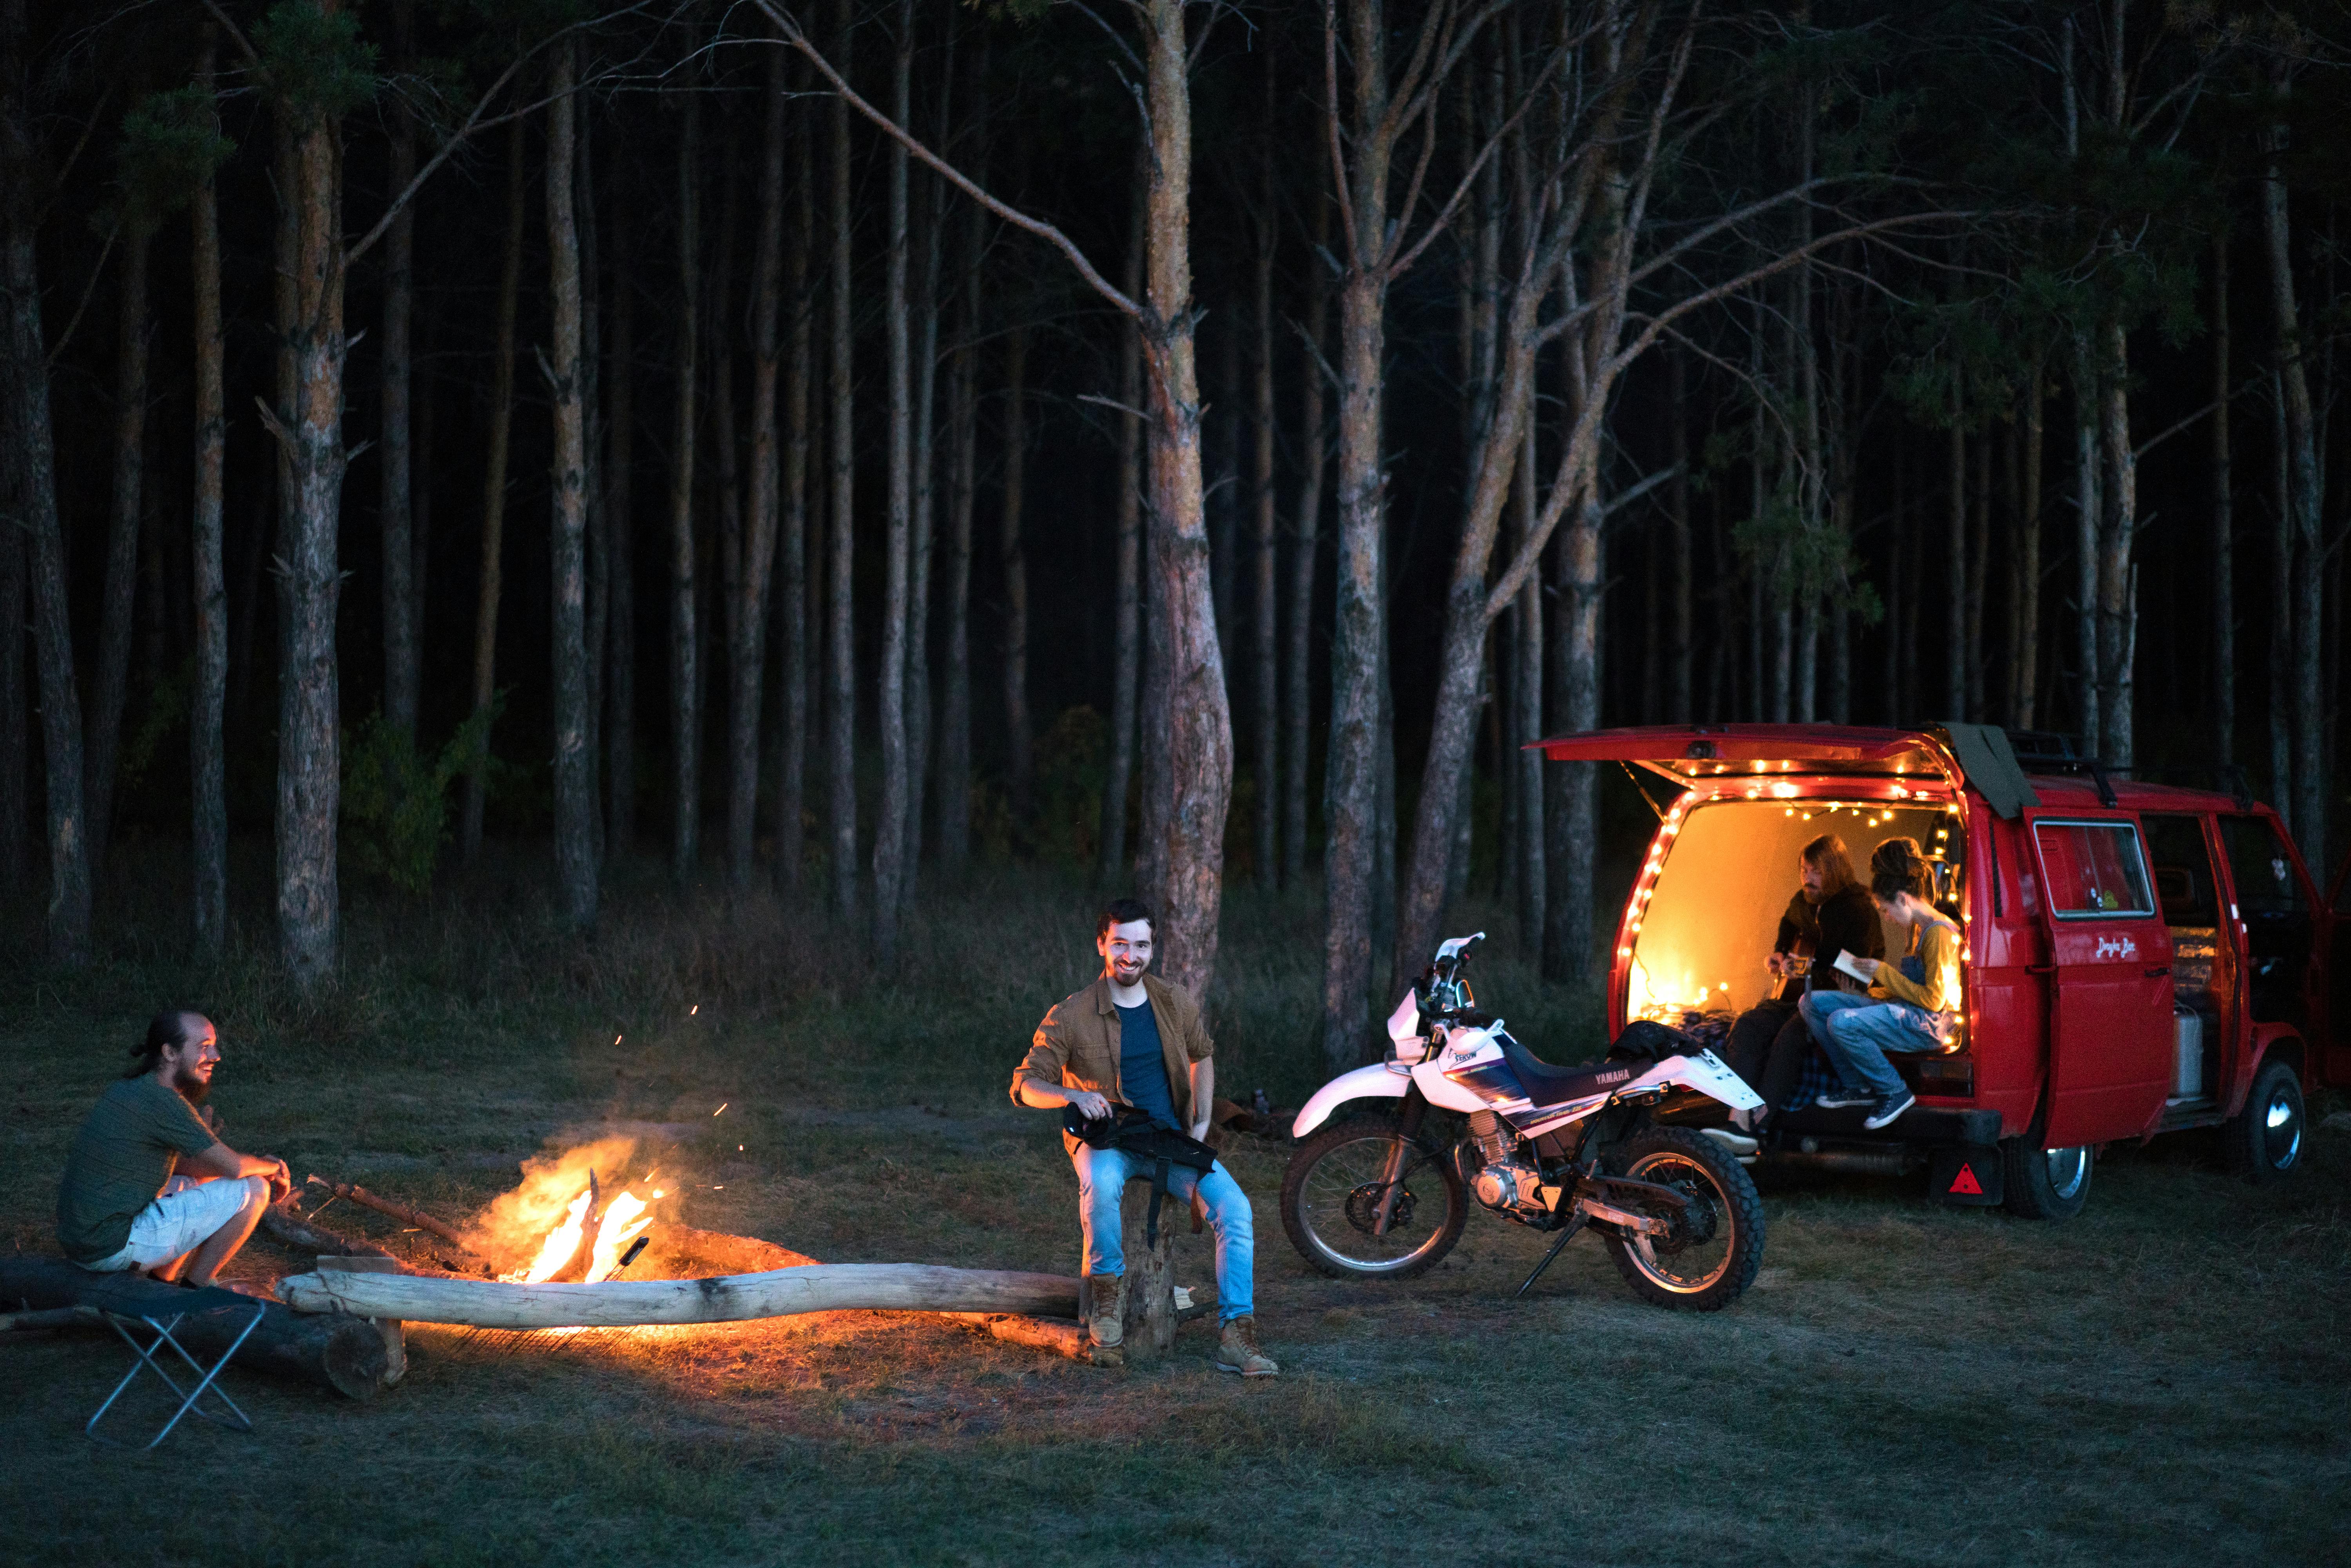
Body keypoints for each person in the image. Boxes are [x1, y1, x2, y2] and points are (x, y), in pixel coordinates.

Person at [1011, 898, 1276, 1376]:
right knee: (1101, 1183)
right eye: (1120, 944)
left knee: (1235, 1209)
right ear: (1101, 946)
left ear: (1152, 948)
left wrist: (1199, 1119)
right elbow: (1025, 1084)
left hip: (1169, 1141)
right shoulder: (1071, 1014)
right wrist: (1071, 1094)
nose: (1130, 955)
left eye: (1141, 945)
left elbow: (1203, 1054)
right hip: (1108, 1141)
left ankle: (1237, 1334)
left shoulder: (1173, 1001)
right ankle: (1107, 1300)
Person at [57, 1011, 290, 1289]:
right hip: (111, 1246)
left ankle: (161, 1285)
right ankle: (193, 1293)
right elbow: (235, 1167)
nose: (215, 1056)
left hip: (82, 1239)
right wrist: (274, 1168)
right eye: (205, 1047)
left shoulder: (129, 1090)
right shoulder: (164, 1101)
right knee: (255, 1188)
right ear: (169, 1053)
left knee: (201, 1179)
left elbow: (186, 1166)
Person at [1719, 834, 1884, 1139]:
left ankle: (1761, 1122)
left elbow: (1857, 968)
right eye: (1805, 871)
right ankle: (1737, 1114)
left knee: (1790, 1037)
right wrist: (1780, 952)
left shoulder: (1859, 909)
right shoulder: (1805, 900)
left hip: (1837, 999)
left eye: (1817, 872)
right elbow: (1789, 921)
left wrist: (1812, 966)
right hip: (1796, 995)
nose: (1808, 879)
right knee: (1749, 1024)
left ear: (1834, 870)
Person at [1799, 838, 1962, 1130]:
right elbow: (1908, 985)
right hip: (1905, 1009)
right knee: (1811, 1003)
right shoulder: (1919, 929)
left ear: (1902, 899)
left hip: (1928, 1023)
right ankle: (1858, 1087)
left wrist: (1881, 971)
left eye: (1886, 910)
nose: (1886, 917)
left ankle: (1893, 1091)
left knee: (1842, 1023)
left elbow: (1934, 1000)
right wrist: (1867, 993)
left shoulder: (1939, 934)